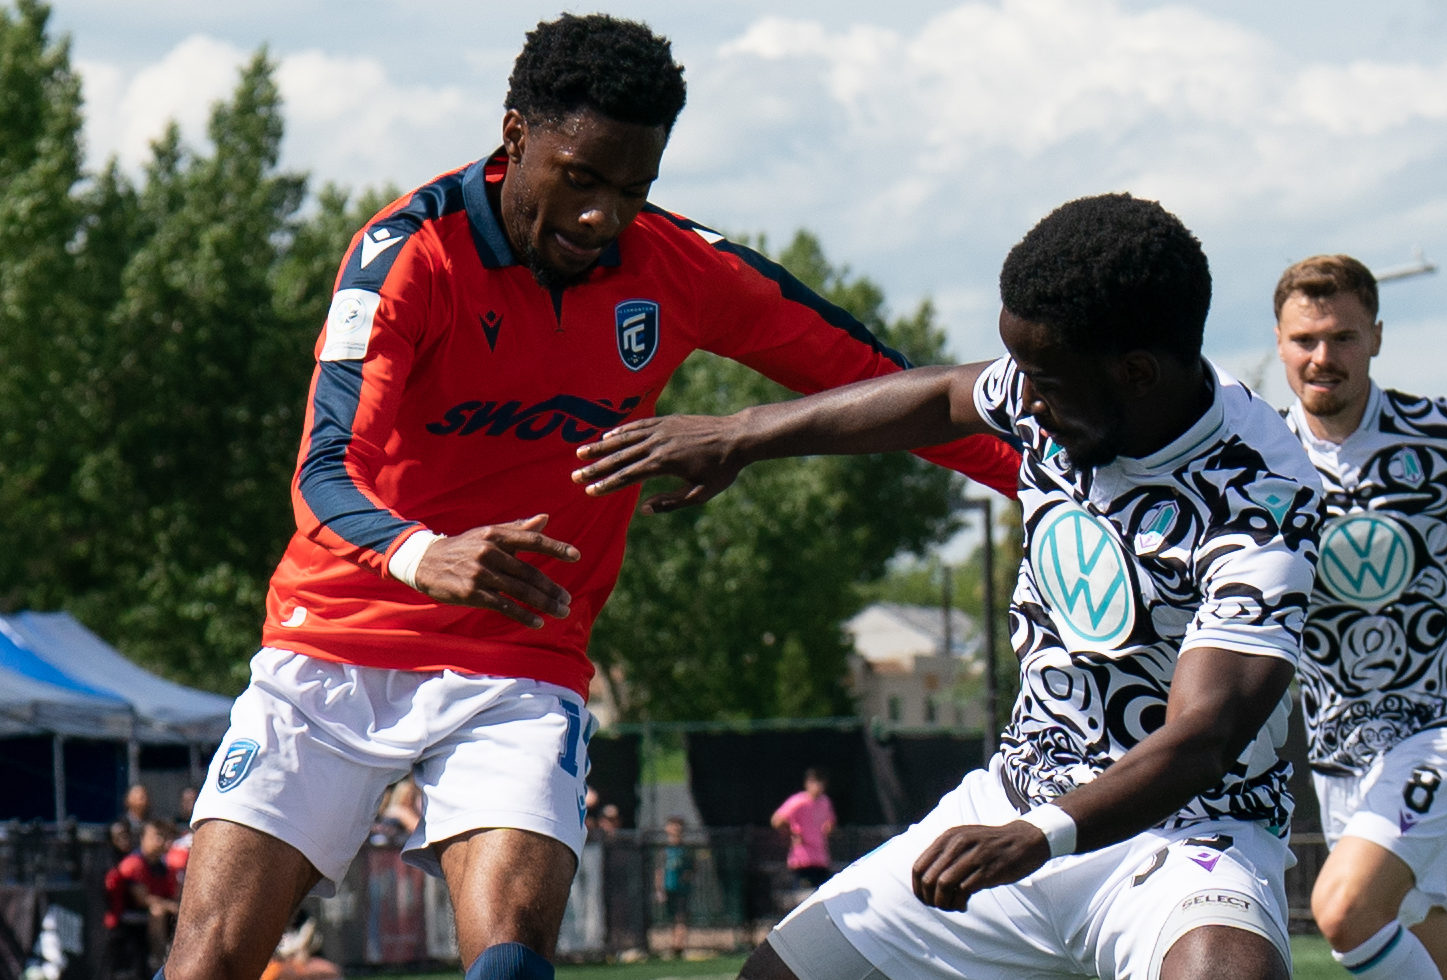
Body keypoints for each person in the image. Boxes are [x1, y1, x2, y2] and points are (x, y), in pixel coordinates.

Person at [161, 13, 1018, 980]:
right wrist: (421, 552)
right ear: (516, 135)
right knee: (205, 966)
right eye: (581, 179)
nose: (603, 217)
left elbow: (888, 386)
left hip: (519, 663)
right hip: (331, 644)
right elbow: (324, 471)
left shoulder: (683, 268)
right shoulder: (410, 255)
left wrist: (1061, 482)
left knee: (511, 966)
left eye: (632, 190)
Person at [575, 193, 1323, 980]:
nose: (1024, 398)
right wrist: (742, 434)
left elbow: (1205, 736)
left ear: (1136, 374)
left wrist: (1041, 837)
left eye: (1042, 381)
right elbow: (938, 397)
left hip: (1185, 835)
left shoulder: (1261, 498)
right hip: (1017, 800)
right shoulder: (1063, 382)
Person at [1269, 253, 1447, 980]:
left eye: (1343, 336)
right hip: (1339, 753)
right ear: (1280, 343)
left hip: (1445, 726)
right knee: (1406, 944)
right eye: (1305, 340)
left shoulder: (1443, 433)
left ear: (1376, 336)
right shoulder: (1258, 458)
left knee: (1342, 911)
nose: (1323, 357)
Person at [106, 820, 181, 980]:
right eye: (156, 836)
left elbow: (172, 894)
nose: (160, 841)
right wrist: (169, 905)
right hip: (131, 916)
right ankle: (159, 961)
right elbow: (143, 899)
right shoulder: (133, 863)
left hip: (165, 914)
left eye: (163, 837)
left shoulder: (166, 866)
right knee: (157, 911)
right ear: (143, 838)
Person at [771, 768, 836, 889]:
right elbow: (777, 820)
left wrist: (825, 832)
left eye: (820, 782)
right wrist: (792, 833)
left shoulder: (825, 802)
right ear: (807, 783)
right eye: (814, 782)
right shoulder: (798, 801)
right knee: (804, 896)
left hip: (821, 860)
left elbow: (830, 822)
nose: (818, 786)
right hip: (803, 860)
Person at [656, 816, 692, 959]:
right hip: (668, 888)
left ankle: (679, 946)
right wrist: (659, 889)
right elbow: (659, 871)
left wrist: (686, 877)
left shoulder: (686, 850)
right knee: (670, 918)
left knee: (681, 917)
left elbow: (692, 868)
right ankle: (672, 945)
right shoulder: (664, 850)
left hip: (681, 890)